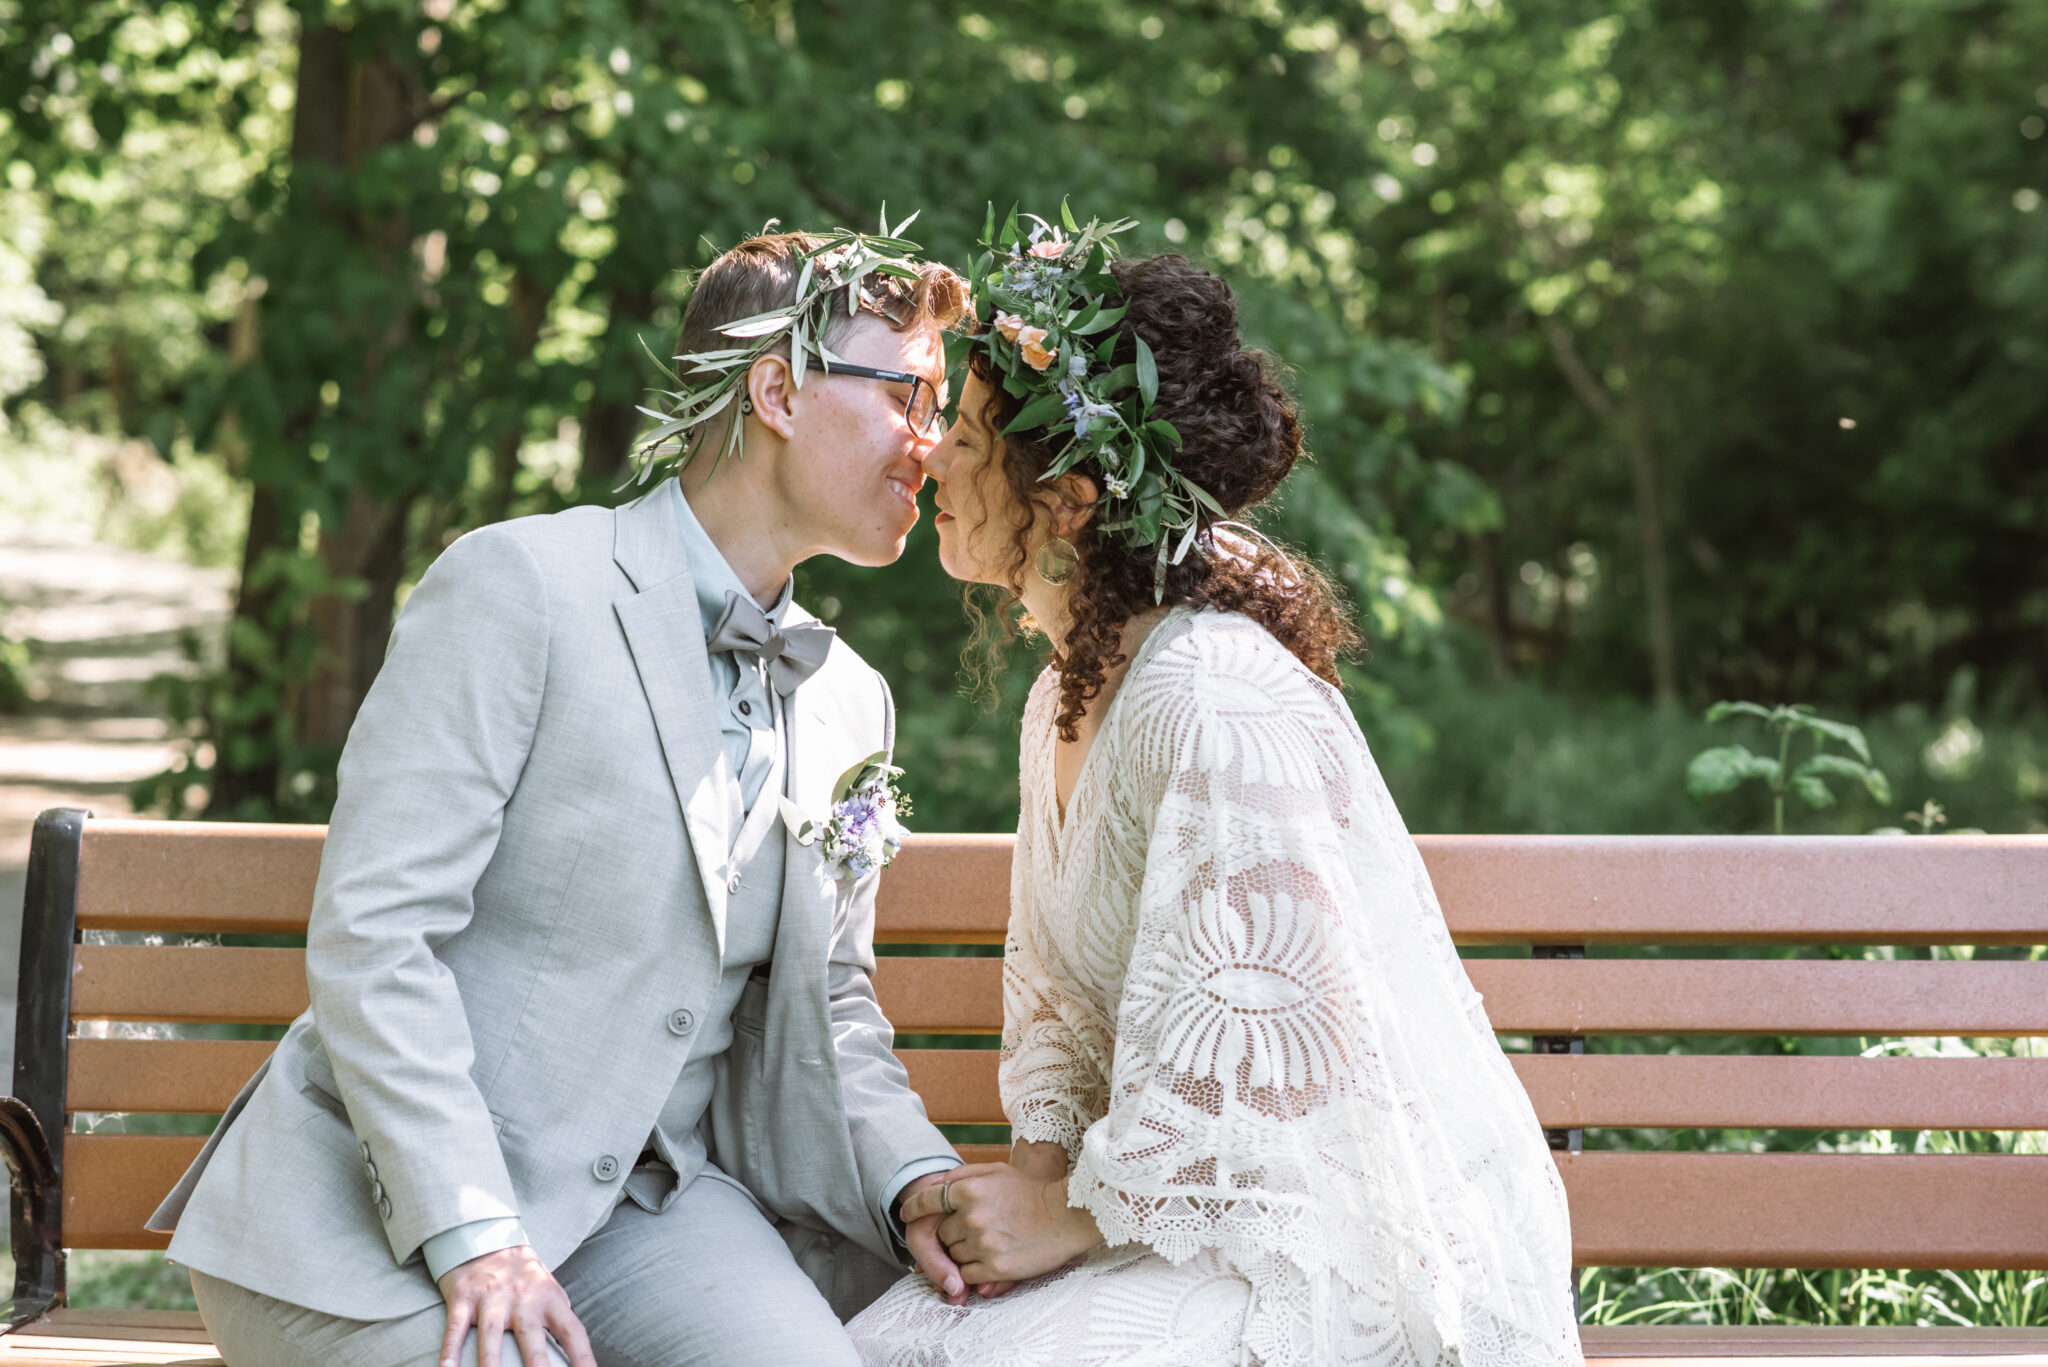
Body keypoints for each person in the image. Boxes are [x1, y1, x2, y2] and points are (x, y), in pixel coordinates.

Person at [149, 223, 970, 1367]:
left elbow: (829, 1003)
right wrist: (474, 1230)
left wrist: (910, 1177)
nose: (932, 442)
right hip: (384, 1218)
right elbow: (378, 936)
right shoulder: (520, 586)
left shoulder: (847, 697)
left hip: (648, 1214)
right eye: (911, 397)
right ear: (777, 390)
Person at [846, 214, 1585, 1367]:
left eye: (974, 436)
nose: (932, 453)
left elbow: (1270, 1076)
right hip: (1167, 1216)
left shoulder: (1207, 692)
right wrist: (1023, 1201)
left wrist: (1055, 1218)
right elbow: (1056, 1015)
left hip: (1338, 1250)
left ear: (1069, 500)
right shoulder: (1067, 694)